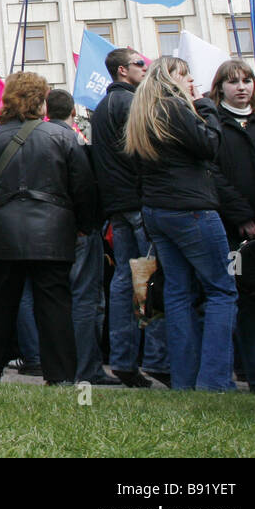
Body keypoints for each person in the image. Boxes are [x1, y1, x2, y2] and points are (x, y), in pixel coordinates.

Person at [0, 73, 96, 385]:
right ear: (42, 100)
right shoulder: (64, 136)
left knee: (1, 303)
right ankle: (61, 376)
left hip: (2, 232)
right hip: (53, 231)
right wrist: (84, 225)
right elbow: (83, 187)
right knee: (55, 304)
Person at [125, 56, 236, 392]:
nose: (190, 82)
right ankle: (215, 381)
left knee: (177, 293)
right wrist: (208, 108)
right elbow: (210, 145)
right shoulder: (175, 107)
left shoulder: (144, 113)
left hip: (158, 210)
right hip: (191, 209)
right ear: (169, 79)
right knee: (221, 291)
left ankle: (185, 381)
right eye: (184, 75)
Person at [90, 47, 169, 387]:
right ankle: (156, 360)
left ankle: (124, 359)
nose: (145, 68)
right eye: (140, 64)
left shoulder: (102, 108)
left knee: (125, 279)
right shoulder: (132, 103)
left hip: (116, 204)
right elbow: (147, 152)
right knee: (152, 278)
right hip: (138, 200)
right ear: (123, 71)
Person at [206, 59, 255, 395]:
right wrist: (241, 216)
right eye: (233, 81)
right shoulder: (214, 125)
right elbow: (213, 174)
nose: (241, 87)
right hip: (233, 231)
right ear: (220, 87)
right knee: (244, 298)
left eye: (246, 80)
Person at [47, 89, 119, 386]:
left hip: (51, 231)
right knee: (86, 299)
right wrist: (89, 225)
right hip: (78, 229)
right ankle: (86, 368)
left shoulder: (38, 138)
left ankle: (64, 365)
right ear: (73, 113)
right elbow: (84, 186)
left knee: (59, 299)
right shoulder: (73, 140)